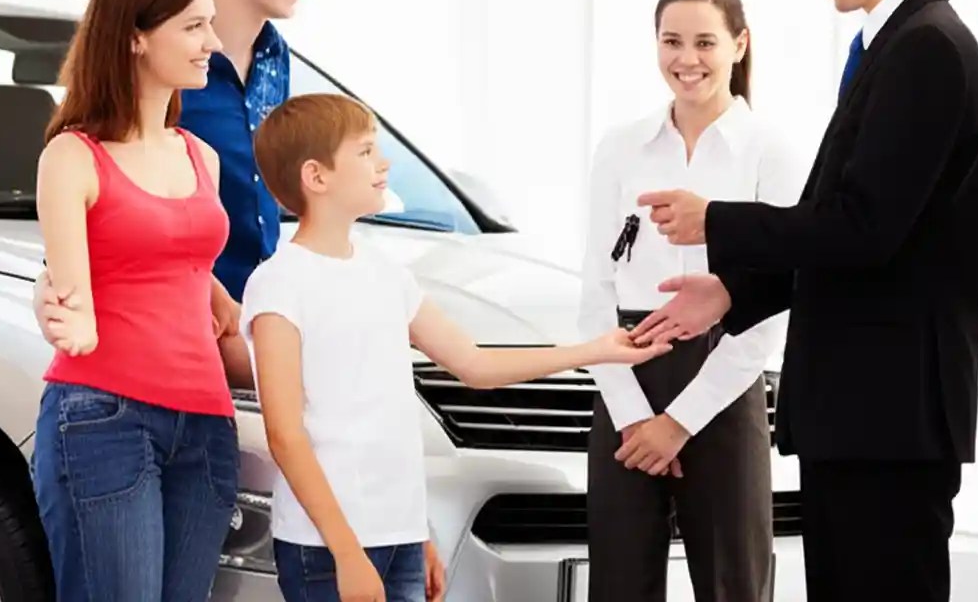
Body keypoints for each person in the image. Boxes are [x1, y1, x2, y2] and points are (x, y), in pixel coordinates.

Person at [632, 0, 978, 601]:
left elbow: (862, 228)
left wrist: (717, 221)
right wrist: (735, 290)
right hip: (868, 416)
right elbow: (854, 230)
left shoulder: (927, 48)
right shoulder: (896, 44)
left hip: (888, 419)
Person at [238, 93, 676, 602]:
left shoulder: (387, 275)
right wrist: (346, 552)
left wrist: (597, 350)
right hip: (326, 546)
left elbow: (475, 365)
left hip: (397, 536)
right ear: (317, 177)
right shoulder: (279, 284)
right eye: (364, 152)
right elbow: (285, 435)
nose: (384, 164)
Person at [30, 0, 249, 601]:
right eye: (192, 27)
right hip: (105, 419)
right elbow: (69, 295)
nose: (212, 42)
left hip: (207, 427)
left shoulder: (200, 156)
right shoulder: (73, 157)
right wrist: (53, 303)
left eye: (211, 23)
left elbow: (185, 268)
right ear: (134, 35)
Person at [580, 0, 805, 602]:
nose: (686, 59)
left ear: (739, 44)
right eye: (671, 41)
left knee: (733, 583)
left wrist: (678, 423)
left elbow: (769, 310)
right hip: (624, 381)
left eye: (705, 42)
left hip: (723, 383)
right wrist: (634, 419)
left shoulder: (770, 150)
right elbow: (594, 293)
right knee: (619, 584)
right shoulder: (621, 147)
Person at [35, 0, 334, 343]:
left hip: (258, 327)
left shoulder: (276, 57)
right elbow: (92, 203)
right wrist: (53, 286)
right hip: (174, 334)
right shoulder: (161, 62)